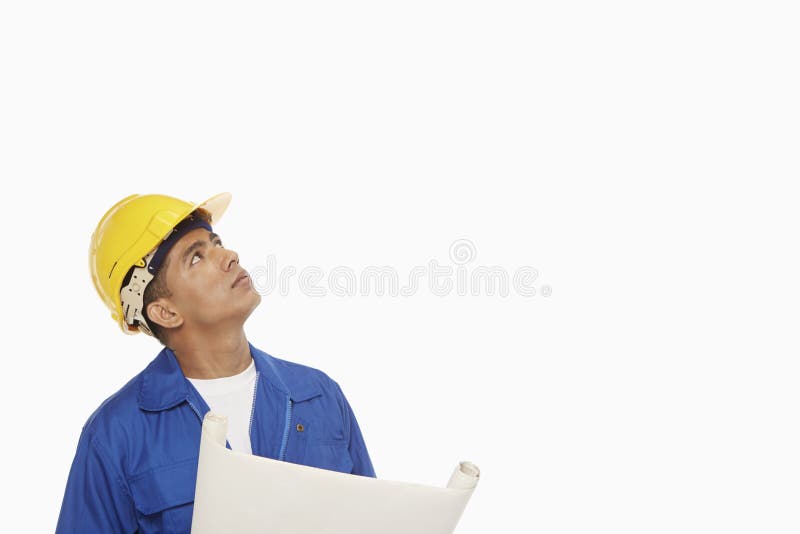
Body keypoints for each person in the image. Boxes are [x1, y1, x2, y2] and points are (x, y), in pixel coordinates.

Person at [56, 192, 376, 533]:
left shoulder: (317, 396)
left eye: (217, 242)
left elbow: (375, 520)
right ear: (165, 311)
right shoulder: (116, 435)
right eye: (196, 258)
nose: (229, 256)